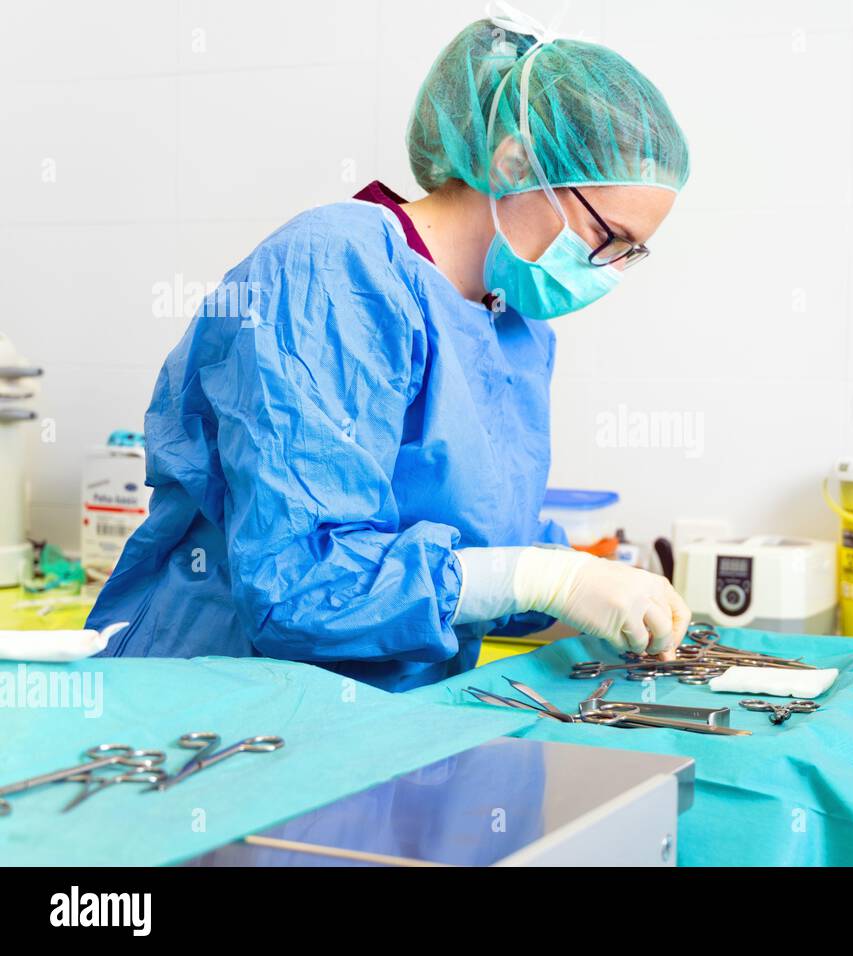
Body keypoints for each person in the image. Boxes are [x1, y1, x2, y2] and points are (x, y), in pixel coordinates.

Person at [86, 10, 692, 692]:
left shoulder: (513, 330)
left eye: (629, 254)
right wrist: (545, 578)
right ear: (515, 162)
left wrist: (590, 582)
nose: (605, 268)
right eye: (605, 235)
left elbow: (478, 554)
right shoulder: (334, 272)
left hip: (387, 716)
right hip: (219, 702)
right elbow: (299, 585)